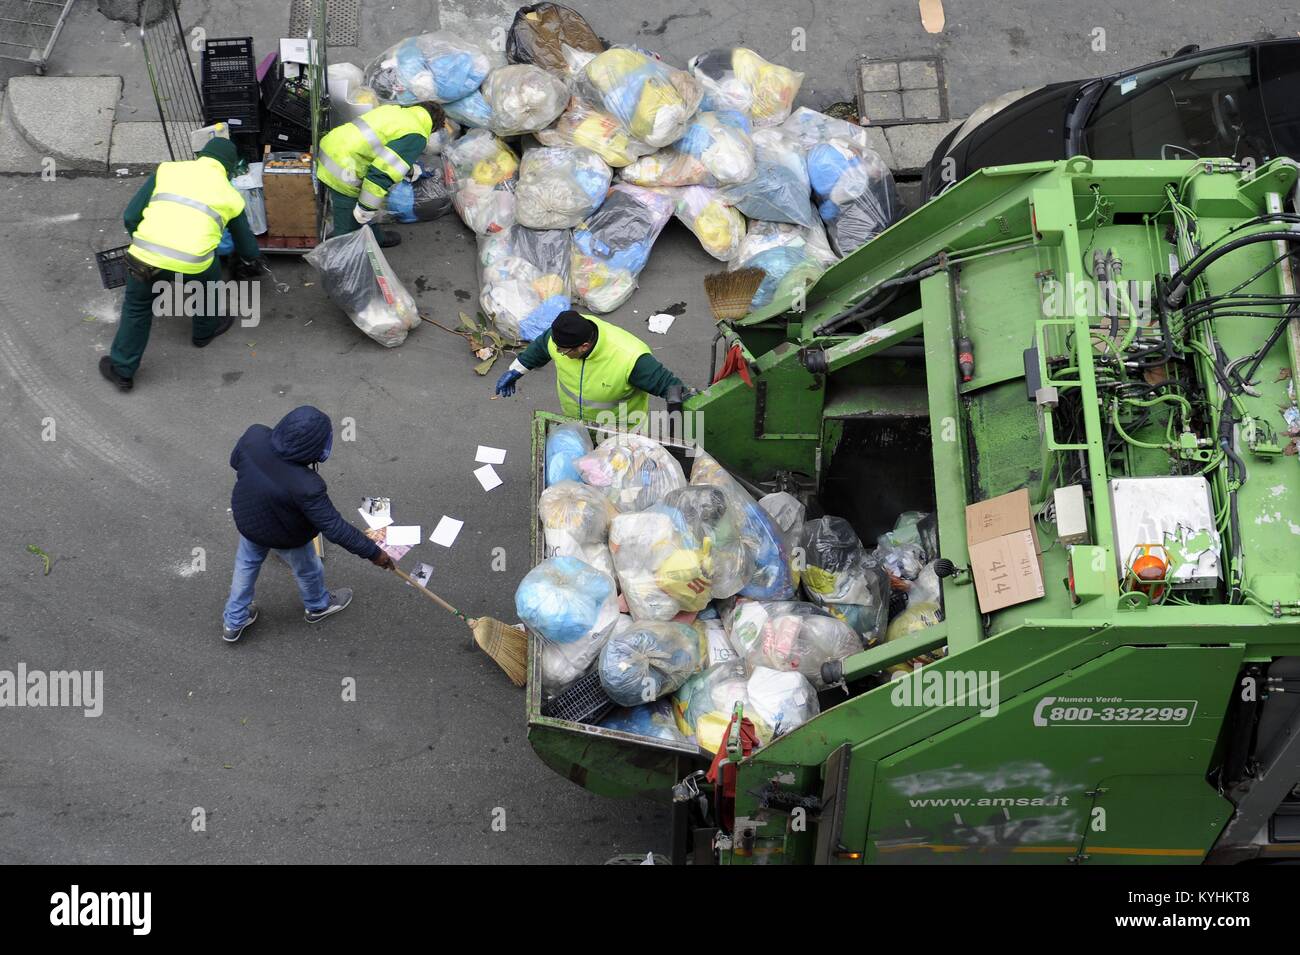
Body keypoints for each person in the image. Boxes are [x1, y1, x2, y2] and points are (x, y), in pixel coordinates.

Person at [98, 138, 262, 392]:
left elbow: (131, 215)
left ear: (202, 155)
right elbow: (247, 247)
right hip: (193, 261)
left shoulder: (168, 170)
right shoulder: (231, 196)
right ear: (229, 168)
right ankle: (204, 332)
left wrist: (142, 242)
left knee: (137, 307)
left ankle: (123, 370)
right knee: (209, 281)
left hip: (145, 255)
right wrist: (253, 261)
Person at [222, 405, 394, 643]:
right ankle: (317, 605)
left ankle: (233, 620)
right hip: (287, 536)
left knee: (246, 565)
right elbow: (335, 528)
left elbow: (235, 462)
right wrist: (375, 553)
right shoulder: (307, 485)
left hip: (249, 522)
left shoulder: (255, 435)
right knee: (308, 569)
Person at [494, 310, 692, 424]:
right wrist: (515, 371)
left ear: (584, 346)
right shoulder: (562, 338)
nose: (558, 352)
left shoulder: (629, 358)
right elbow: (540, 348)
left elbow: (670, 386)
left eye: (563, 351)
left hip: (621, 432)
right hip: (576, 424)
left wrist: (692, 412)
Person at [315, 101, 445, 248]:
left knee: (369, 202)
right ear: (433, 127)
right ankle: (340, 262)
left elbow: (381, 147)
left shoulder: (395, 111)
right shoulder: (418, 134)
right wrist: (366, 209)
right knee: (349, 221)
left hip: (332, 147)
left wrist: (407, 169)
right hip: (343, 166)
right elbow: (381, 173)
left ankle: (376, 237)